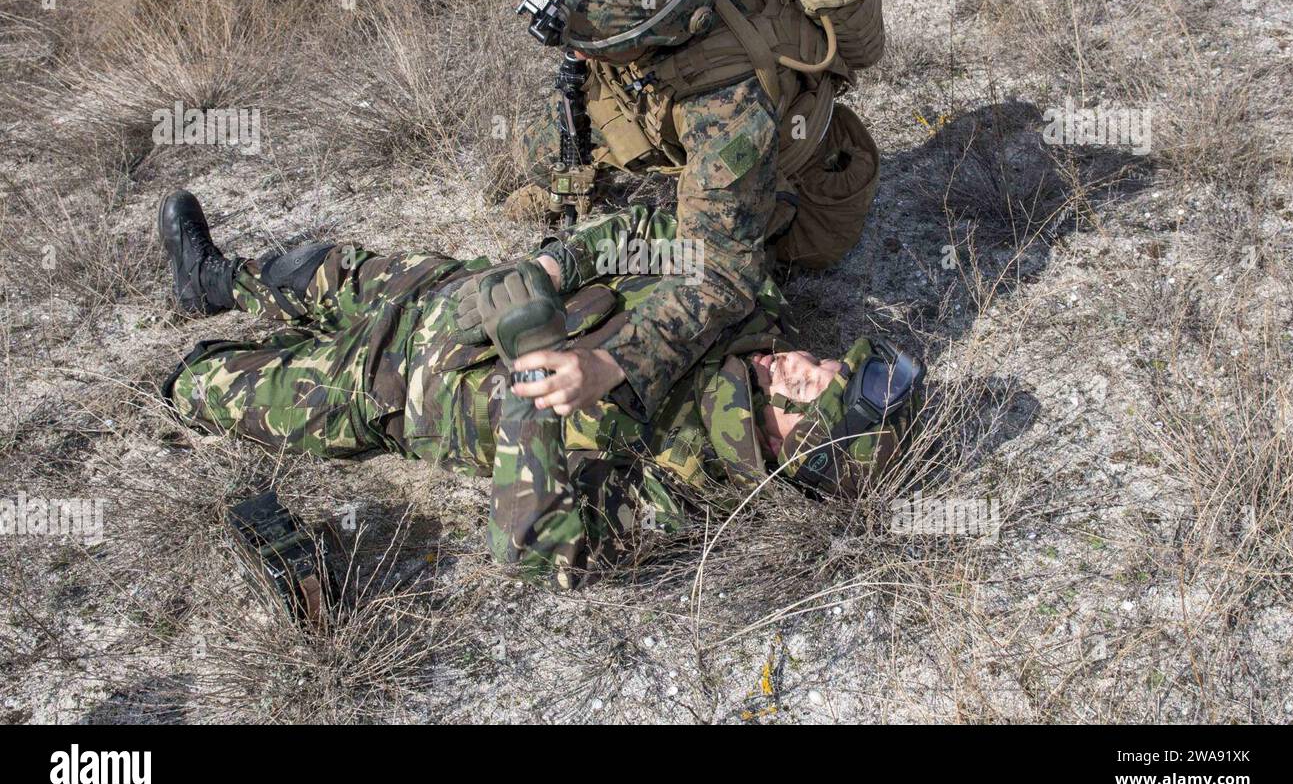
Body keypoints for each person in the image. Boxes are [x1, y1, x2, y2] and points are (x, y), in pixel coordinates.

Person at [158, 189, 921, 589]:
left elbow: (535, 548)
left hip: (393, 391)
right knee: (324, 269)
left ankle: (218, 351)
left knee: (196, 383)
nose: (801, 363)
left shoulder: (677, 492)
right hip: (457, 297)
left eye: (816, 390)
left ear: (796, 452)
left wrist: (530, 356)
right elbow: (663, 231)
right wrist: (559, 266)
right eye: (825, 363)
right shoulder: (745, 311)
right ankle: (213, 280)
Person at [505, 0, 887, 429]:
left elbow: (723, 274)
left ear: (662, 33)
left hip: (794, 175)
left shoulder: (729, 106)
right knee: (532, 156)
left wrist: (611, 363)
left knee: (699, 246)